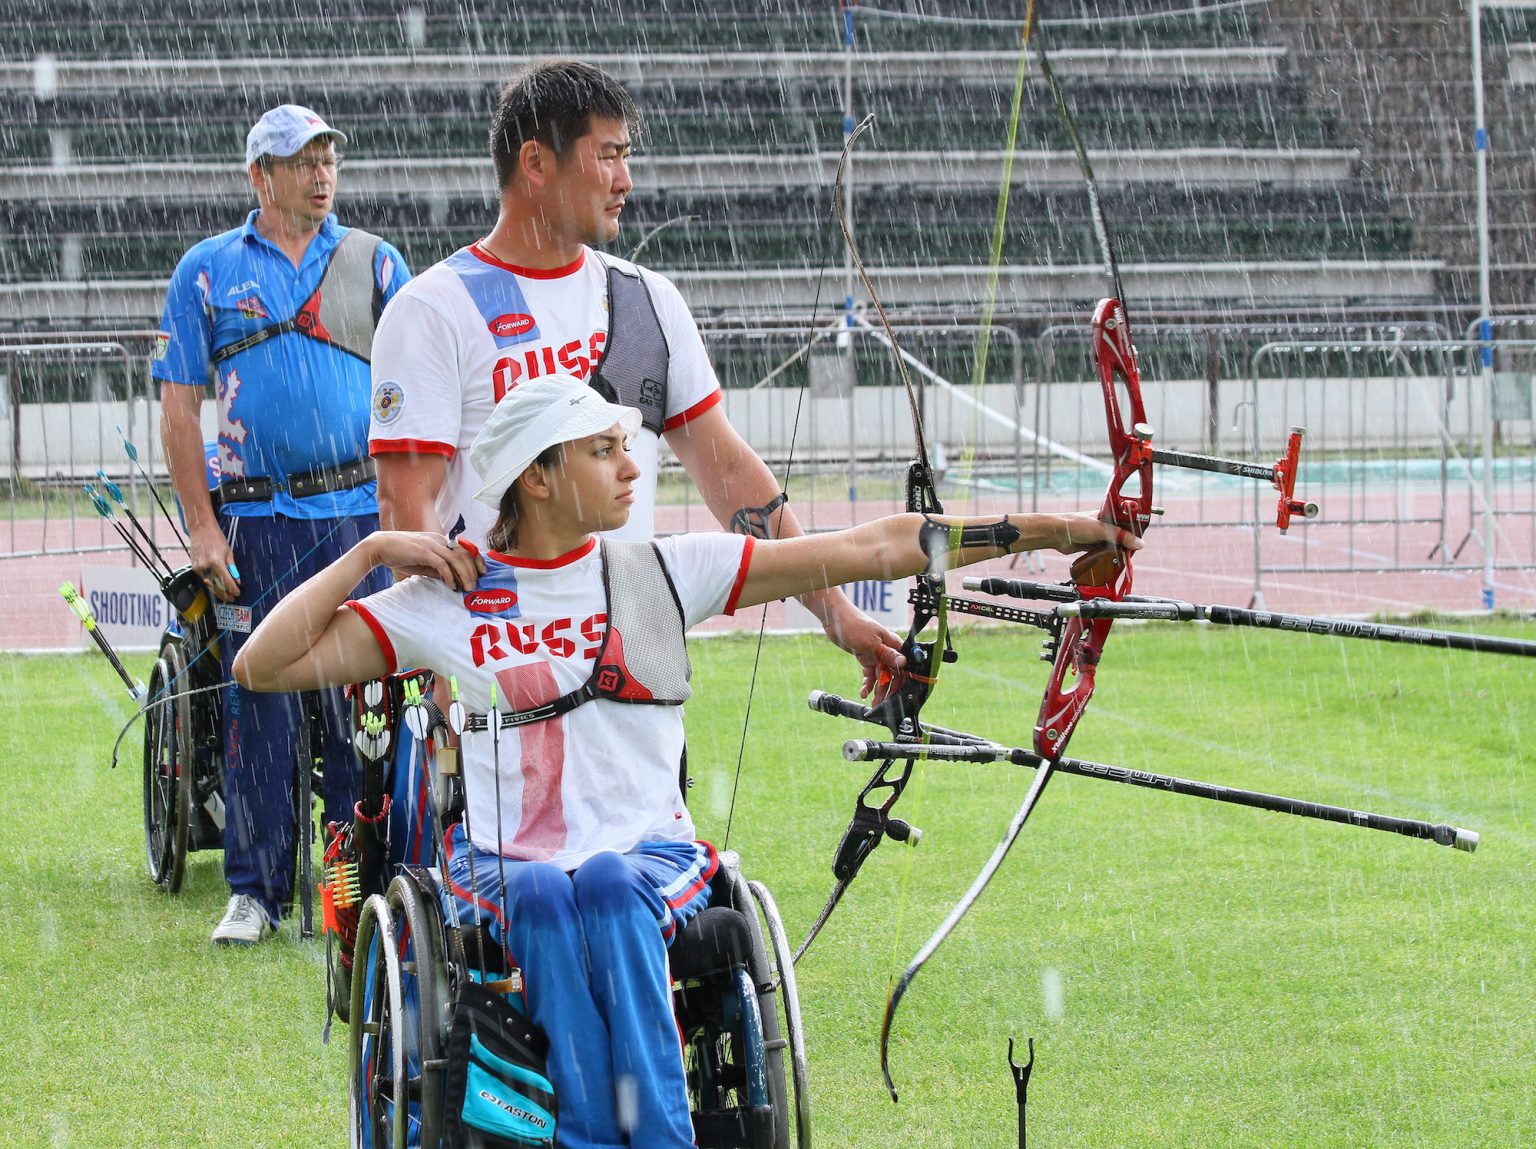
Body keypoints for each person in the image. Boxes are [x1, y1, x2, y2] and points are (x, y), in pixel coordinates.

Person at [232, 374, 1137, 1147]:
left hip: (649, 856)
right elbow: (260, 664)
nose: (632, 465)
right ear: (538, 477)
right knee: (553, 891)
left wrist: (1061, 530)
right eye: (602, 450)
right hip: (507, 872)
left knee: (610, 886)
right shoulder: (452, 599)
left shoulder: (665, 569)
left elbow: (872, 547)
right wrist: (371, 552)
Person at [366, 57, 905, 699]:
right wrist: (439, 672)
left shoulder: (649, 300)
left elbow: (727, 470)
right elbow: (407, 508)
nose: (626, 180)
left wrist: (833, 610)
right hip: (498, 672)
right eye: (607, 155)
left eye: (628, 156)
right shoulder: (433, 309)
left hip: (632, 662)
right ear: (536, 164)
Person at [154, 104, 412, 946]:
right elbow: (179, 405)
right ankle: (256, 891)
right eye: (302, 159)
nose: (321, 172)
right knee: (257, 698)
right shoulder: (206, 270)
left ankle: (353, 887)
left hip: (358, 516)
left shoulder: (374, 262)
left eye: (329, 156)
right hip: (255, 518)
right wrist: (202, 525)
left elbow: (422, 389)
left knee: (362, 706)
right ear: (259, 176)